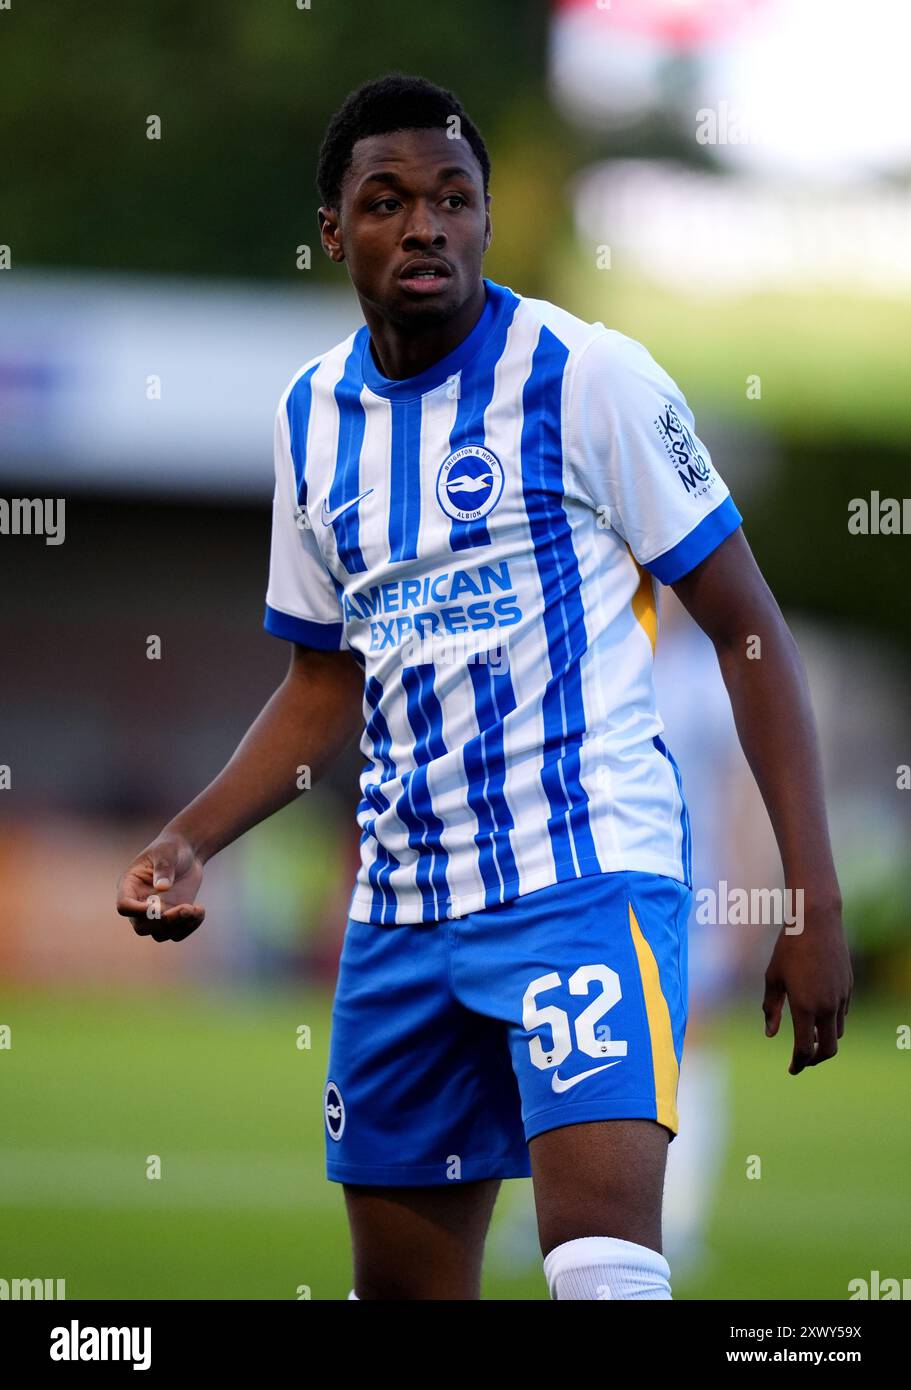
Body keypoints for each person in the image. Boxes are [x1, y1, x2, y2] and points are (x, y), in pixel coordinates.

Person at [116, 73, 852, 1301]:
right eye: (387, 200)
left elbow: (747, 631)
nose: (425, 227)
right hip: (401, 917)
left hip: (584, 881)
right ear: (332, 229)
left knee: (602, 1272)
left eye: (453, 199)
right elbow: (321, 679)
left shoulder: (588, 375)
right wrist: (193, 837)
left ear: (485, 219)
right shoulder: (311, 417)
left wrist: (808, 900)